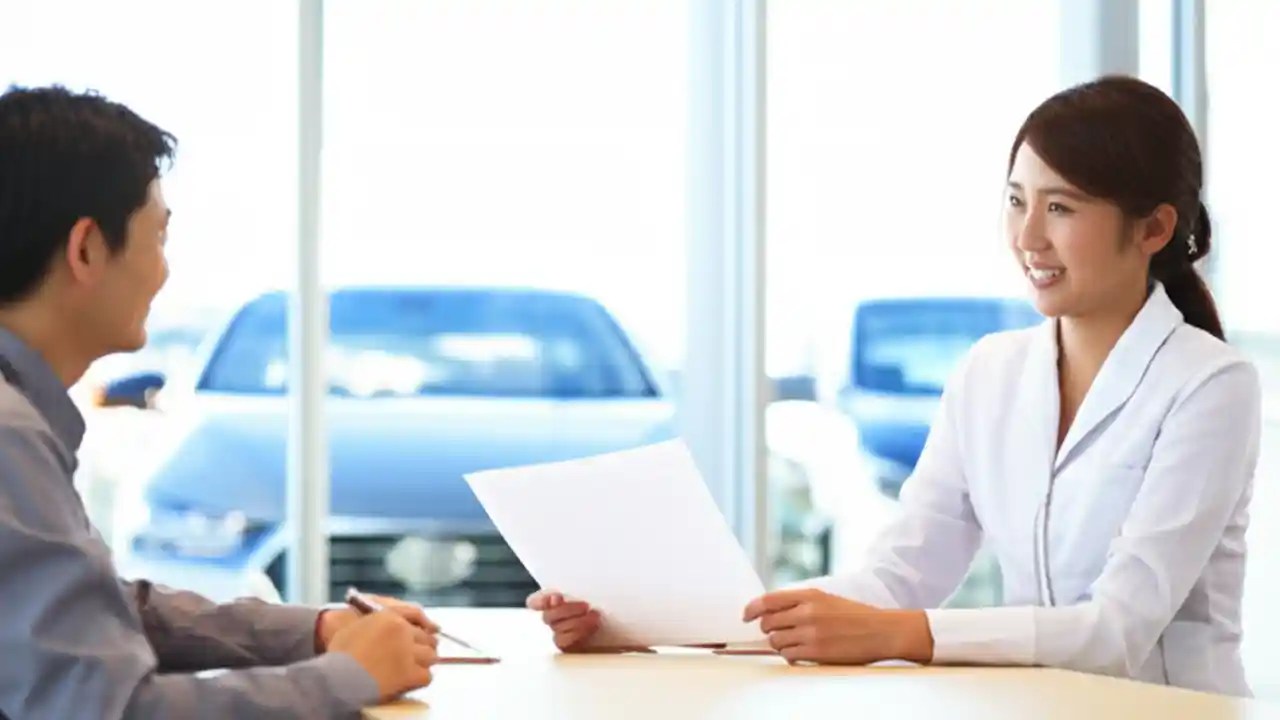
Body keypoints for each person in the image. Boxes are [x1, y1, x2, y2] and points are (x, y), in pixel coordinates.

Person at [528, 75, 1261, 697]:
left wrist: (898, 634)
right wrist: (641, 627)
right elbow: (899, 575)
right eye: (1016, 200)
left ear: (1154, 229)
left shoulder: (1210, 386)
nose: (1027, 236)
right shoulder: (992, 372)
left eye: (1061, 207)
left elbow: (1117, 629)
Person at [0, 85, 439, 719]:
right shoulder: (10, 434)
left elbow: (78, 620)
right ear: (87, 248)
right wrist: (347, 677)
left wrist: (310, 631)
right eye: (159, 237)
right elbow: (111, 710)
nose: (164, 271)